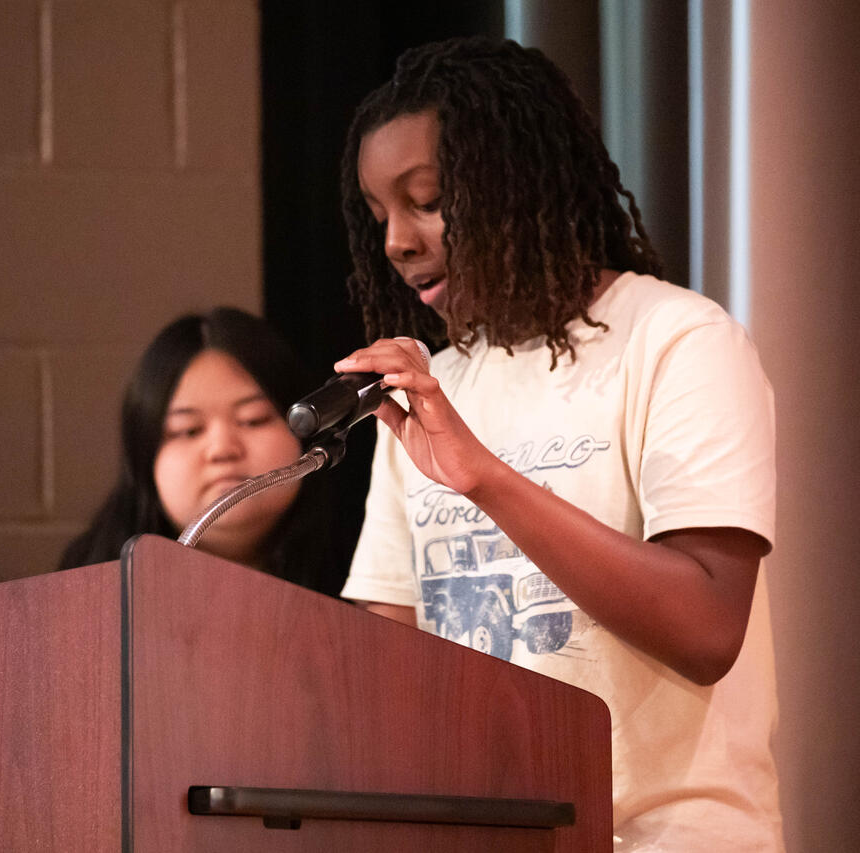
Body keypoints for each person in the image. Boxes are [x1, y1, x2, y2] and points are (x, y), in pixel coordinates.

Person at [334, 37, 781, 851]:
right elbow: (383, 660)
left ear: (516, 180)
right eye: (379, 215)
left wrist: (486, 479)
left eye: (425, 199)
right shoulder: (432, 390)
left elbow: (709, 626)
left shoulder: (678, 341)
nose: (397, 240)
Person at [59, 307, 351, 596]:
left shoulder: (365, 572)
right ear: (143, 454)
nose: (222, 450)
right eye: (188, 430)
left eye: (253, 419)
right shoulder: (87, 588)